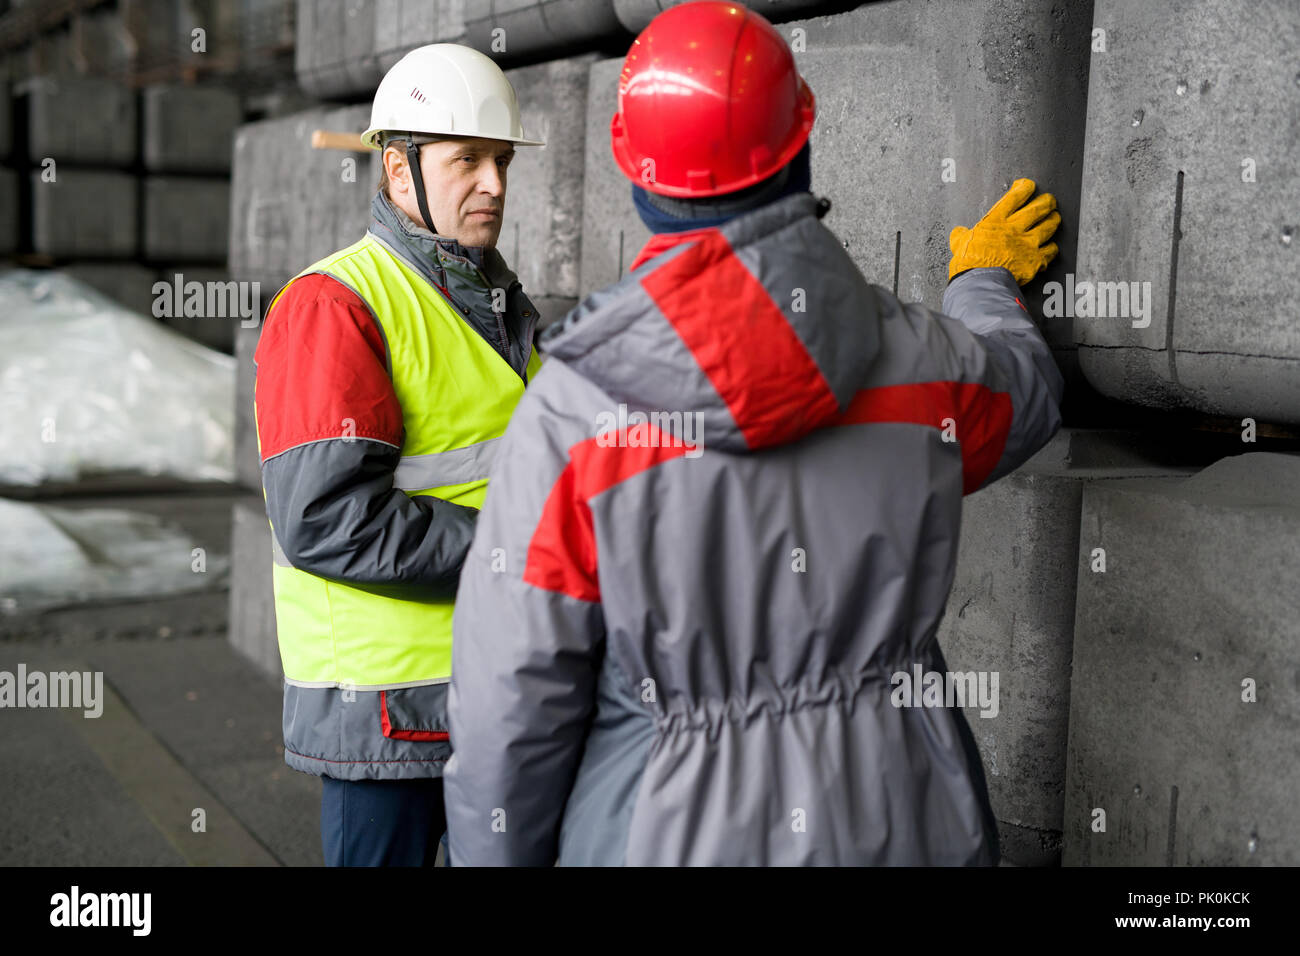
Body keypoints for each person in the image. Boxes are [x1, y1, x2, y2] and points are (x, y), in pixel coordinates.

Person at [443, 1, 1064, 865]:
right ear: (802, 144)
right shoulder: (927, 363)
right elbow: (1028, 390)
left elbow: (509, 709)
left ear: (636, 172)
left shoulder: (574, 417)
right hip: (909, 822)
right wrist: (982, 278)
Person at [252, 43, 545, 866]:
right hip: (386, 712)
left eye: (500, 160)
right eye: (467, 160)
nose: (493, 182)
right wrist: (524, 556)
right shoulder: (336, 304)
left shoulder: (496, 305)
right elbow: (328, 519)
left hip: (496, 689)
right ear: (397, 168)